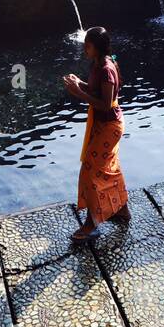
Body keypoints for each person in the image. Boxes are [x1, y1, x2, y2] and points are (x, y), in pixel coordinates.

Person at [63, 27, 131, 241]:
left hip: (109, 126)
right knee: (110, 168)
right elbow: (96, 91)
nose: (85, 48)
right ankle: (121, 210)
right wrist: (79, 83)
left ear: (97, 46)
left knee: (90, 172)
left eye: (88, 45)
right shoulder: (98, 64)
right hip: (103, 125)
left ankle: (91, 224)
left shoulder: (106, 69)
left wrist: (79, 93)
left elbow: (105, 104)